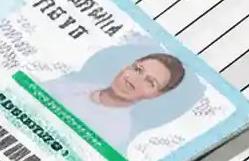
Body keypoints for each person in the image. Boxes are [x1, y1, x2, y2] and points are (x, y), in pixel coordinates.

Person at [44, 53, 187, 152]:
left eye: (150, 82)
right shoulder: (75, 85)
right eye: (138, 70)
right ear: (126, 67)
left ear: (155, 95)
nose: (133, 80)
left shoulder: (116, 130)